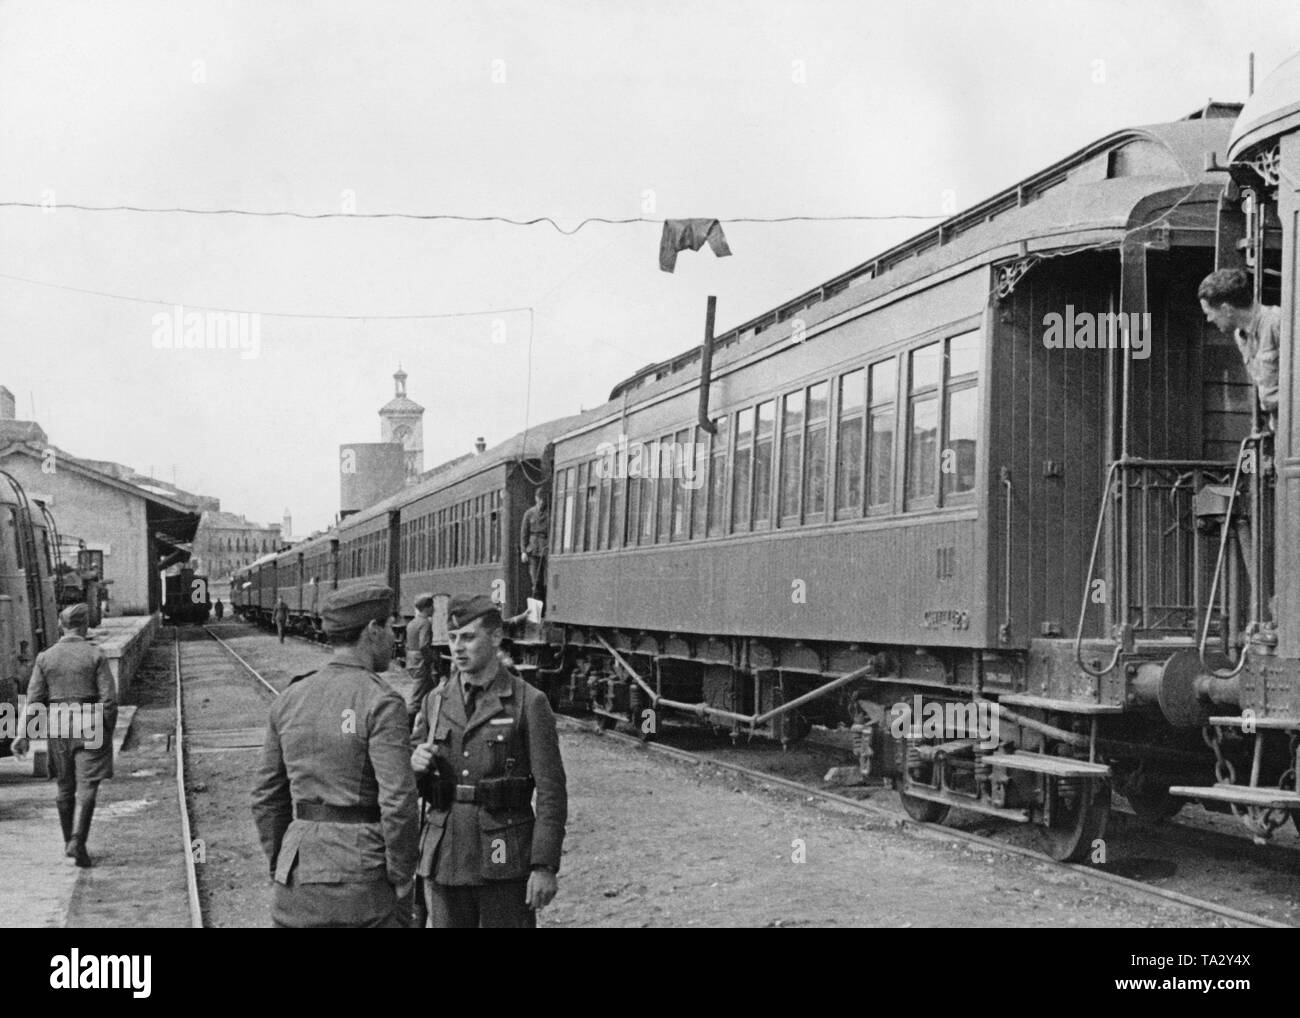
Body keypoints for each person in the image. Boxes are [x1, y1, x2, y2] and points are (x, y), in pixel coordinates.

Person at [251, 584, 420, 928]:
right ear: (372, 631)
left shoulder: (290, 697)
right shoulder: (382, 702)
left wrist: (282, 863)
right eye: (389, 627)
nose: (393, 637)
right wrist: (402, 875)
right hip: (364, 876)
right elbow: (399, 800)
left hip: (297, 872)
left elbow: (266, 798)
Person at [410, 594, 566, 928]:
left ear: (495, 638)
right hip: (445, 854)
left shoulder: (529, 702)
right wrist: (415, 766)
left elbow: (552, 792)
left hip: (504, 854)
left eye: (468, 637)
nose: (457, 648)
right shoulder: (435, 702)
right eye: (452, 638)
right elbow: (409, 780)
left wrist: (543, 866)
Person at [13, 603, 117, 868]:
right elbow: (109, 701)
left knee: (64, 788)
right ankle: (78, 840)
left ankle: (67, 841)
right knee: (89, 786)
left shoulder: (45, 658)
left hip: (58, 724)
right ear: (85, 626)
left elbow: (35, 699)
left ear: (61, 626)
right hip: (90, 722)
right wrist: (106, 729)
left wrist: (23, 735)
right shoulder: (96, 656)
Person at [1198, 267, 1281, 432]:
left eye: (1209, 313)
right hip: (1280, 429)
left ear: (1226, 309)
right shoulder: (1241, 335)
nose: (1209, 319)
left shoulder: (1277, 322)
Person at [405, 594, 436, 722]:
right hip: (421, 662)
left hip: (412, 660)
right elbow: (423, 645)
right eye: (432, 606)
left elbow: (408, 644)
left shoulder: (412, 622)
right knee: (416, 699)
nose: (434, 609)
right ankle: (409, 725)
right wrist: (432, 658)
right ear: (427, 608)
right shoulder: (425, 623)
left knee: (430, 691)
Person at [519, 489, 549, 600]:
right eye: (540, 499)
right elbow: (524, 533)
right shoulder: (529, 513)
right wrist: (523, 551)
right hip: (533, 551)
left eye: (543, 500)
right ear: (536, 499)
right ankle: (536, 613)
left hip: (546, 549)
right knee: (535, 582)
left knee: (546, 580)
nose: (542, 502)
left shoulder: (549, 513)